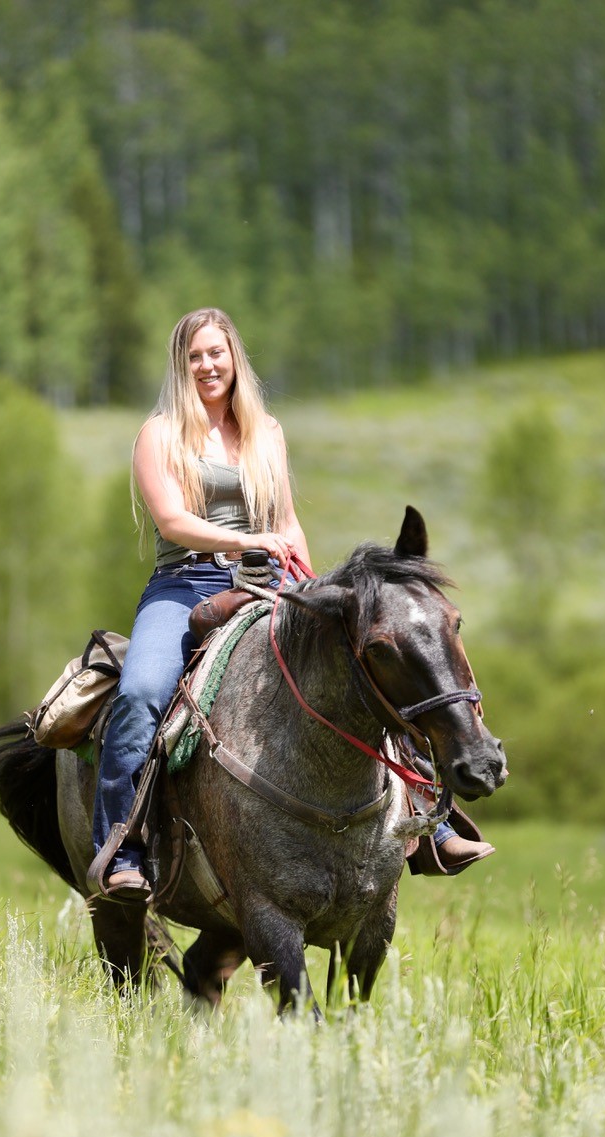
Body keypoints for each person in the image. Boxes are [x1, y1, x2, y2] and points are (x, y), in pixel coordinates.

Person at [90, 306, 490, 902]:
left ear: (234, 360)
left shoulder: (266, 432)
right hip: (185, 584)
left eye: (216, 354)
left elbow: (285, 521)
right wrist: (246, 539)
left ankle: (426, 826)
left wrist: (309, 579)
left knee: (365, 666)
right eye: (194, 356)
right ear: (180, 365)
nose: (206, 366)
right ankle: (121, 851)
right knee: (142, 691)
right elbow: (173, 520)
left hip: (273, 580)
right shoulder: (159, 434)